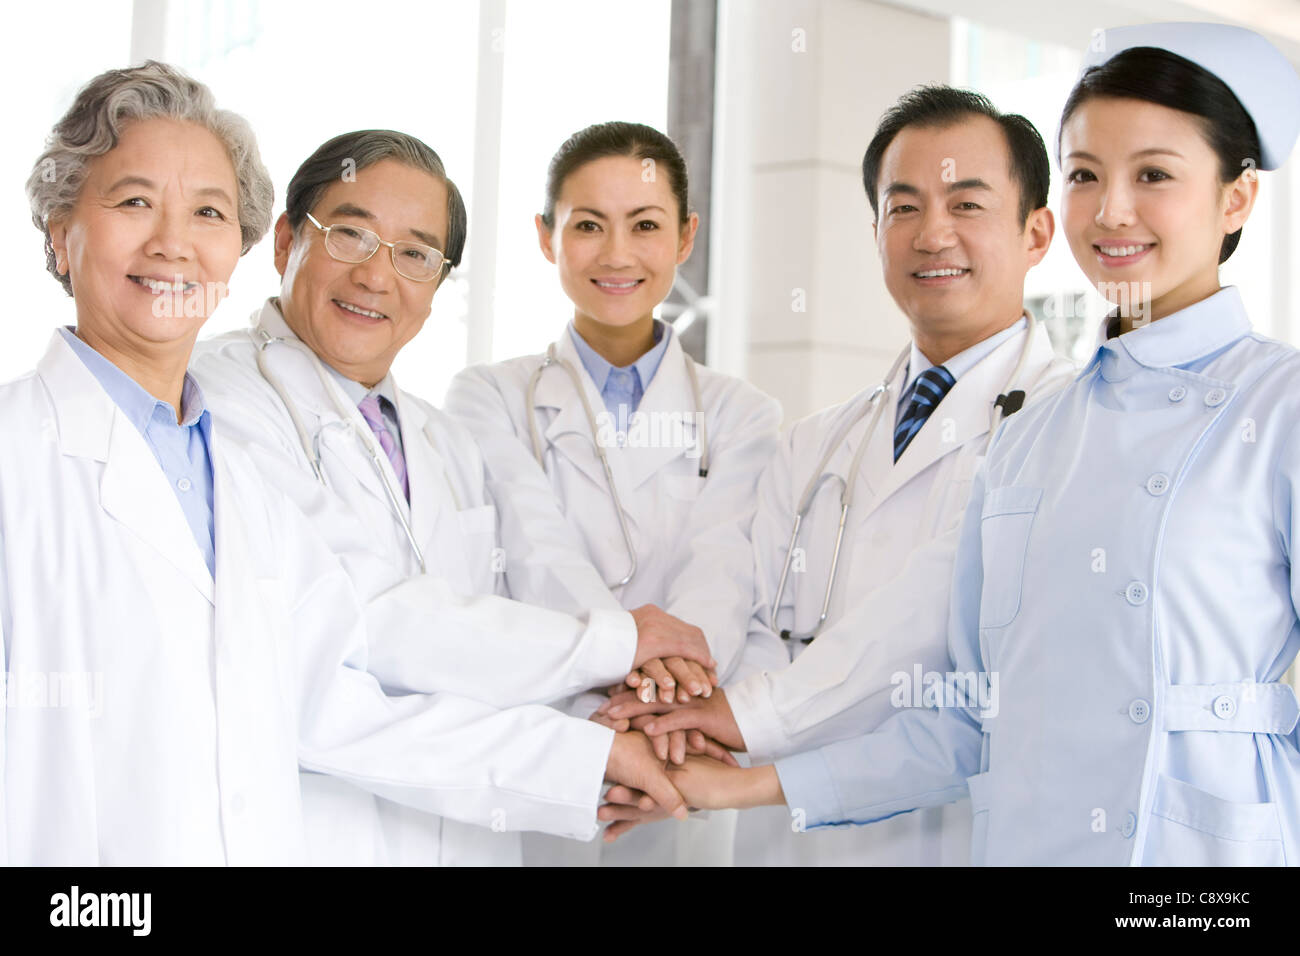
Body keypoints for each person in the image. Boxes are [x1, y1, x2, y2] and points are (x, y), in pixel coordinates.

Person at [606, 21, 1300, 867]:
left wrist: (750, 722)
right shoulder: (1038, 434)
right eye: (1086, 175)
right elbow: (970, 718)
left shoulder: (1281, 404)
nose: (1113, 211)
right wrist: (733, 782)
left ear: (1237, 199)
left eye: (1154, 175)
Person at [2, 61, 689, 865]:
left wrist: (590, 758)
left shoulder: (225, 467)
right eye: (133, 202)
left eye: (209, 212)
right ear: (59, 227)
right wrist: (615, 653)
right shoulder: (37, 452)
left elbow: (328, 701)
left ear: (240, 243)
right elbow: (385, 627)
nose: (173, 243)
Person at [190, 129, 725, 865]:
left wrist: (627, 727)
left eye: (414, 254)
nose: (378, 276)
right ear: (285, 242)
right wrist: (617, 652)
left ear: (438, 287)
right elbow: (368, 625)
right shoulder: (215, 401)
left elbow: (501, 634)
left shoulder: (444, 443)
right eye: (350, 234)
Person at [598, 87, 1076, 865]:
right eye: (904, 207)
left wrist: (744, 717)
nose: (933, 234)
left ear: (1036, 232)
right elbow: (750, 611)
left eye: (967, 204)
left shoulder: (1067, 428)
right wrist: (680, 723)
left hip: (949, 836)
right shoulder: (820, 440)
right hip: (780, 832)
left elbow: (922, 626)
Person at [444, 121, 782, 865]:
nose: (618, 254)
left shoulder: (742, 413)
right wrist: (630, 667)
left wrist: (658, 708)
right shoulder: (488, 397)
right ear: (546, 236)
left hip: (682, 750)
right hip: (555, 740)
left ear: (686, 237)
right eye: (589, 225)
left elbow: (724, 572)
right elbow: (535, 550)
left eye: (646, 225)